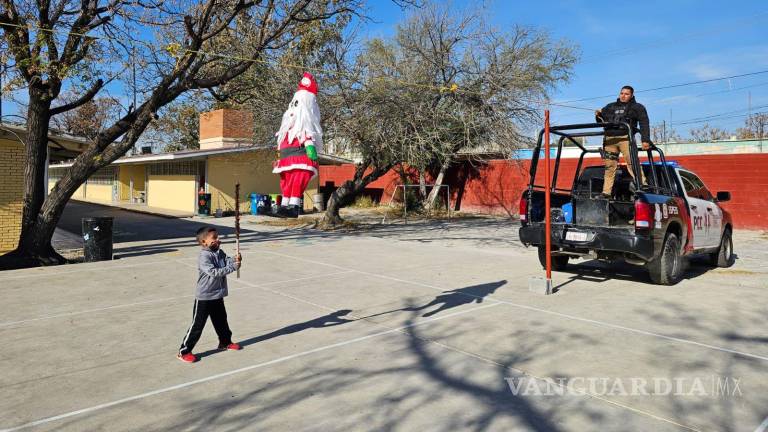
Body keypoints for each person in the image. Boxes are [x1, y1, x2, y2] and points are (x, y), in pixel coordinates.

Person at [177, 226, 242, 363]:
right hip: (205, 296)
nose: (218, 240)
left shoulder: (219, 252)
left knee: (221, 321)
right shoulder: (204, 256)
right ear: (204, 242)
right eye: (214, 238)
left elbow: (227, 261)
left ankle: (225, 342)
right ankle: (184, 351)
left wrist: (235, 259)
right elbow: (214, 272)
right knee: (198, 325)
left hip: (217, 294)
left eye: (218, 237)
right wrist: (233, 267)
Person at [272, 72, 323, 218]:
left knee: (293, 180)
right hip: (292, 159)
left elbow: (304, 138)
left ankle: (290, 205)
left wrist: (278, 159)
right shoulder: (292, 128)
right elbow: (281, 144)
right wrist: (277, 157)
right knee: (291, 180)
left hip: (292, 159)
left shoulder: (295, 127)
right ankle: (287, 205)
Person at [595, 85, 651, 198]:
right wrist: (598, 115)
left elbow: (644, 123)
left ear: (631, 95)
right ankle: (606, 193)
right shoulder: (609, 107)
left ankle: (642, 185)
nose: (623, 96)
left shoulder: (638, 107)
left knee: (632, 162)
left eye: (626, 94)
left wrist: (645, 140)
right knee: (609, 166)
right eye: (622, 93)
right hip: (610, 139)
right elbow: (600, 122)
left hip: (626, 138)